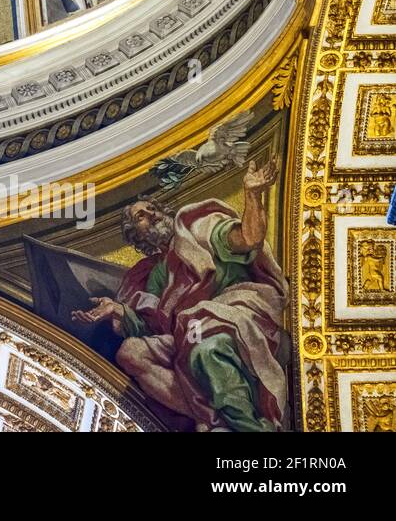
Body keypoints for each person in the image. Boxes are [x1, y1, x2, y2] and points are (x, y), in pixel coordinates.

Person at [73, 157, 288, 431]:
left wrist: (253, 194)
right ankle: (212, 416)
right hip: (186, 332)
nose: (151, 214)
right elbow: (151, 324)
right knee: (130, 352)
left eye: (152, 208)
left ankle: (246, 427)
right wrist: (118, 311)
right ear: (136, 236)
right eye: (141, 216)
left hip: (231, 313)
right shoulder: (152, 275)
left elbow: (248, 238)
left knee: (205, 346)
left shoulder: (196, 230)